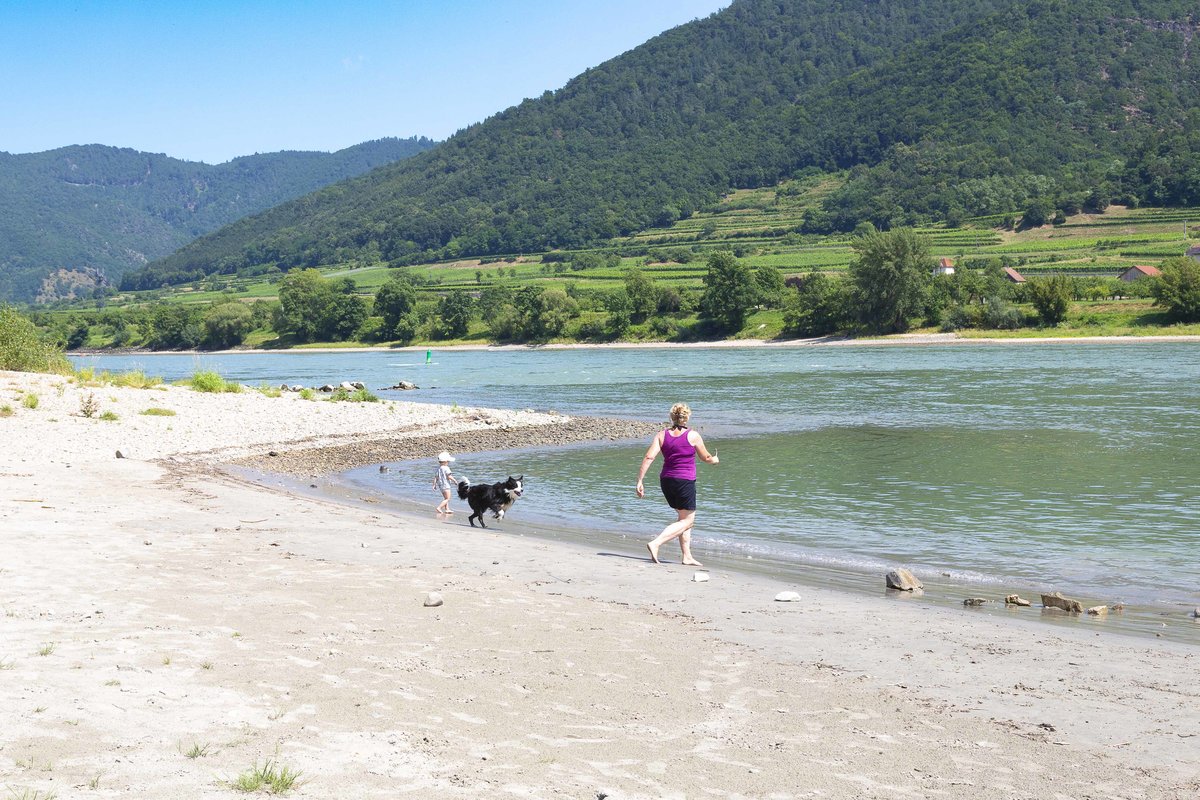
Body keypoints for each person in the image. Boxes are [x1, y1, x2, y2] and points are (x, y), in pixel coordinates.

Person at [636, 402, 719, 566]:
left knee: (683, 518)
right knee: (688, 521)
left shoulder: (661, 435)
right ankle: (656, 543)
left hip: (666, 481)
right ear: (686, 417)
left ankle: (687, 556)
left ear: (672, 417)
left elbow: (649, 457)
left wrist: (640, 480)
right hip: (684, 481)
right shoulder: (693, 435)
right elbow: (706, 457)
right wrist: (714, 460)